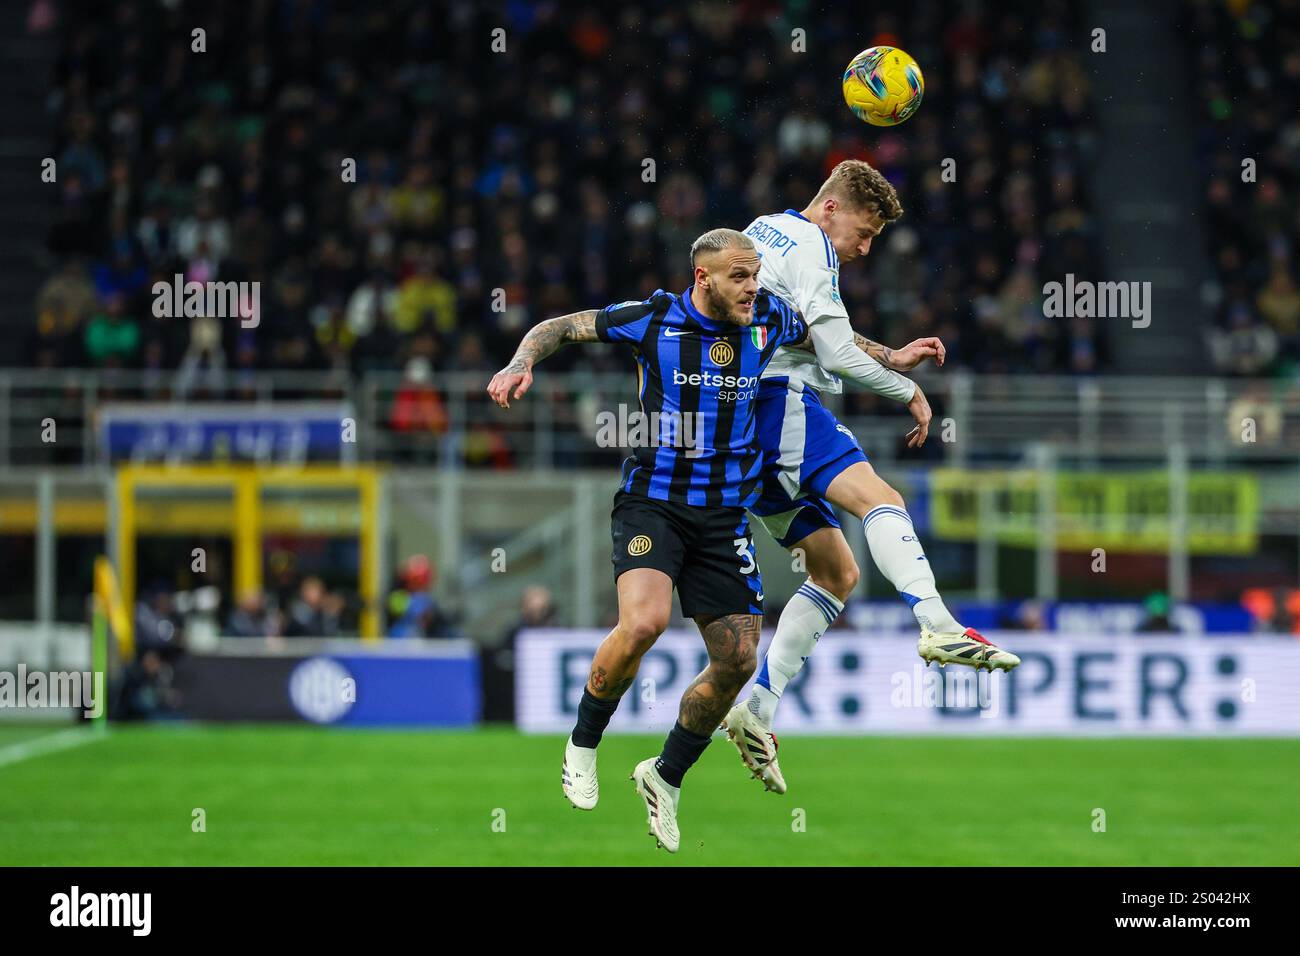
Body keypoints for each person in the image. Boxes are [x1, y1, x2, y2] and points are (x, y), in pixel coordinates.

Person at [487, 228, 831, 852]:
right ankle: (584, 742)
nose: (753, 286)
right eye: (740, 277)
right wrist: (520, 362)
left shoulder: (770, 320)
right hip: (654, 505)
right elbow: (563, 325)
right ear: (704, 279)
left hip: (724, 516)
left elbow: (835, 340)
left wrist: (894, 361)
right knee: (644, 623)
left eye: (755, 274)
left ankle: (665, 777)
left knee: (738, 661)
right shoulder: (653, 318)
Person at [724, 160, 1021, 793]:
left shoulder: (765, 232)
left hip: (736, 423)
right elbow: (828, 352)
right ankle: (939, 625)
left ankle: (759, 709)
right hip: (777, 402)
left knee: (836, 572)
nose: (865, 247)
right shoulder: (814, 247)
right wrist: (905, 387)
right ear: (831, 208)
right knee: (880, 497)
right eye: (865, 230)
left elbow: (811, 328)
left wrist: (888, 352)